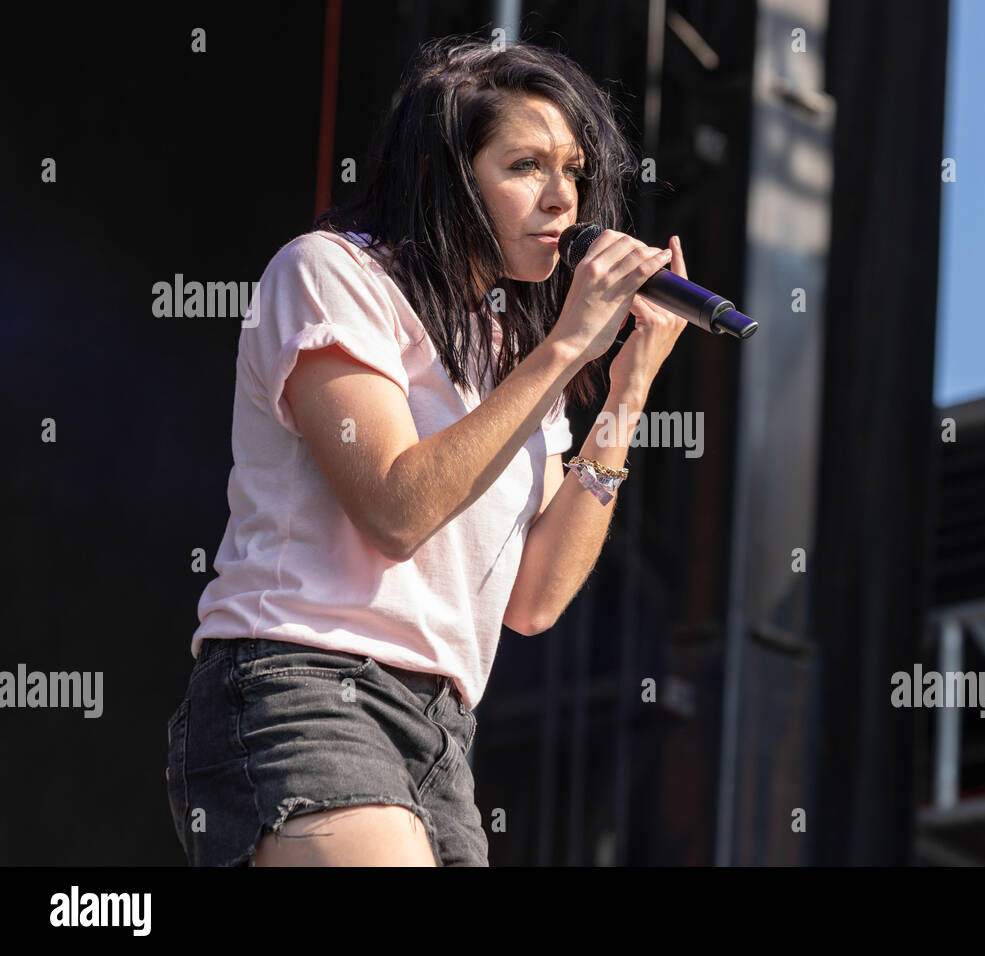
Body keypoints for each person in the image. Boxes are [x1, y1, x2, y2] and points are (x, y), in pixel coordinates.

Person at [163, 34, 690, 866]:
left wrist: (624, 395)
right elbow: (396, 509)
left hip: (441, 731)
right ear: (448, 176)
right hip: (307, 683)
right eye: (526, 167)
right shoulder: (333, 274)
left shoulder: (514, 356)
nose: (564, 200)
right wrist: (565, 351)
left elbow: (535, 600)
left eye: (574, 171)